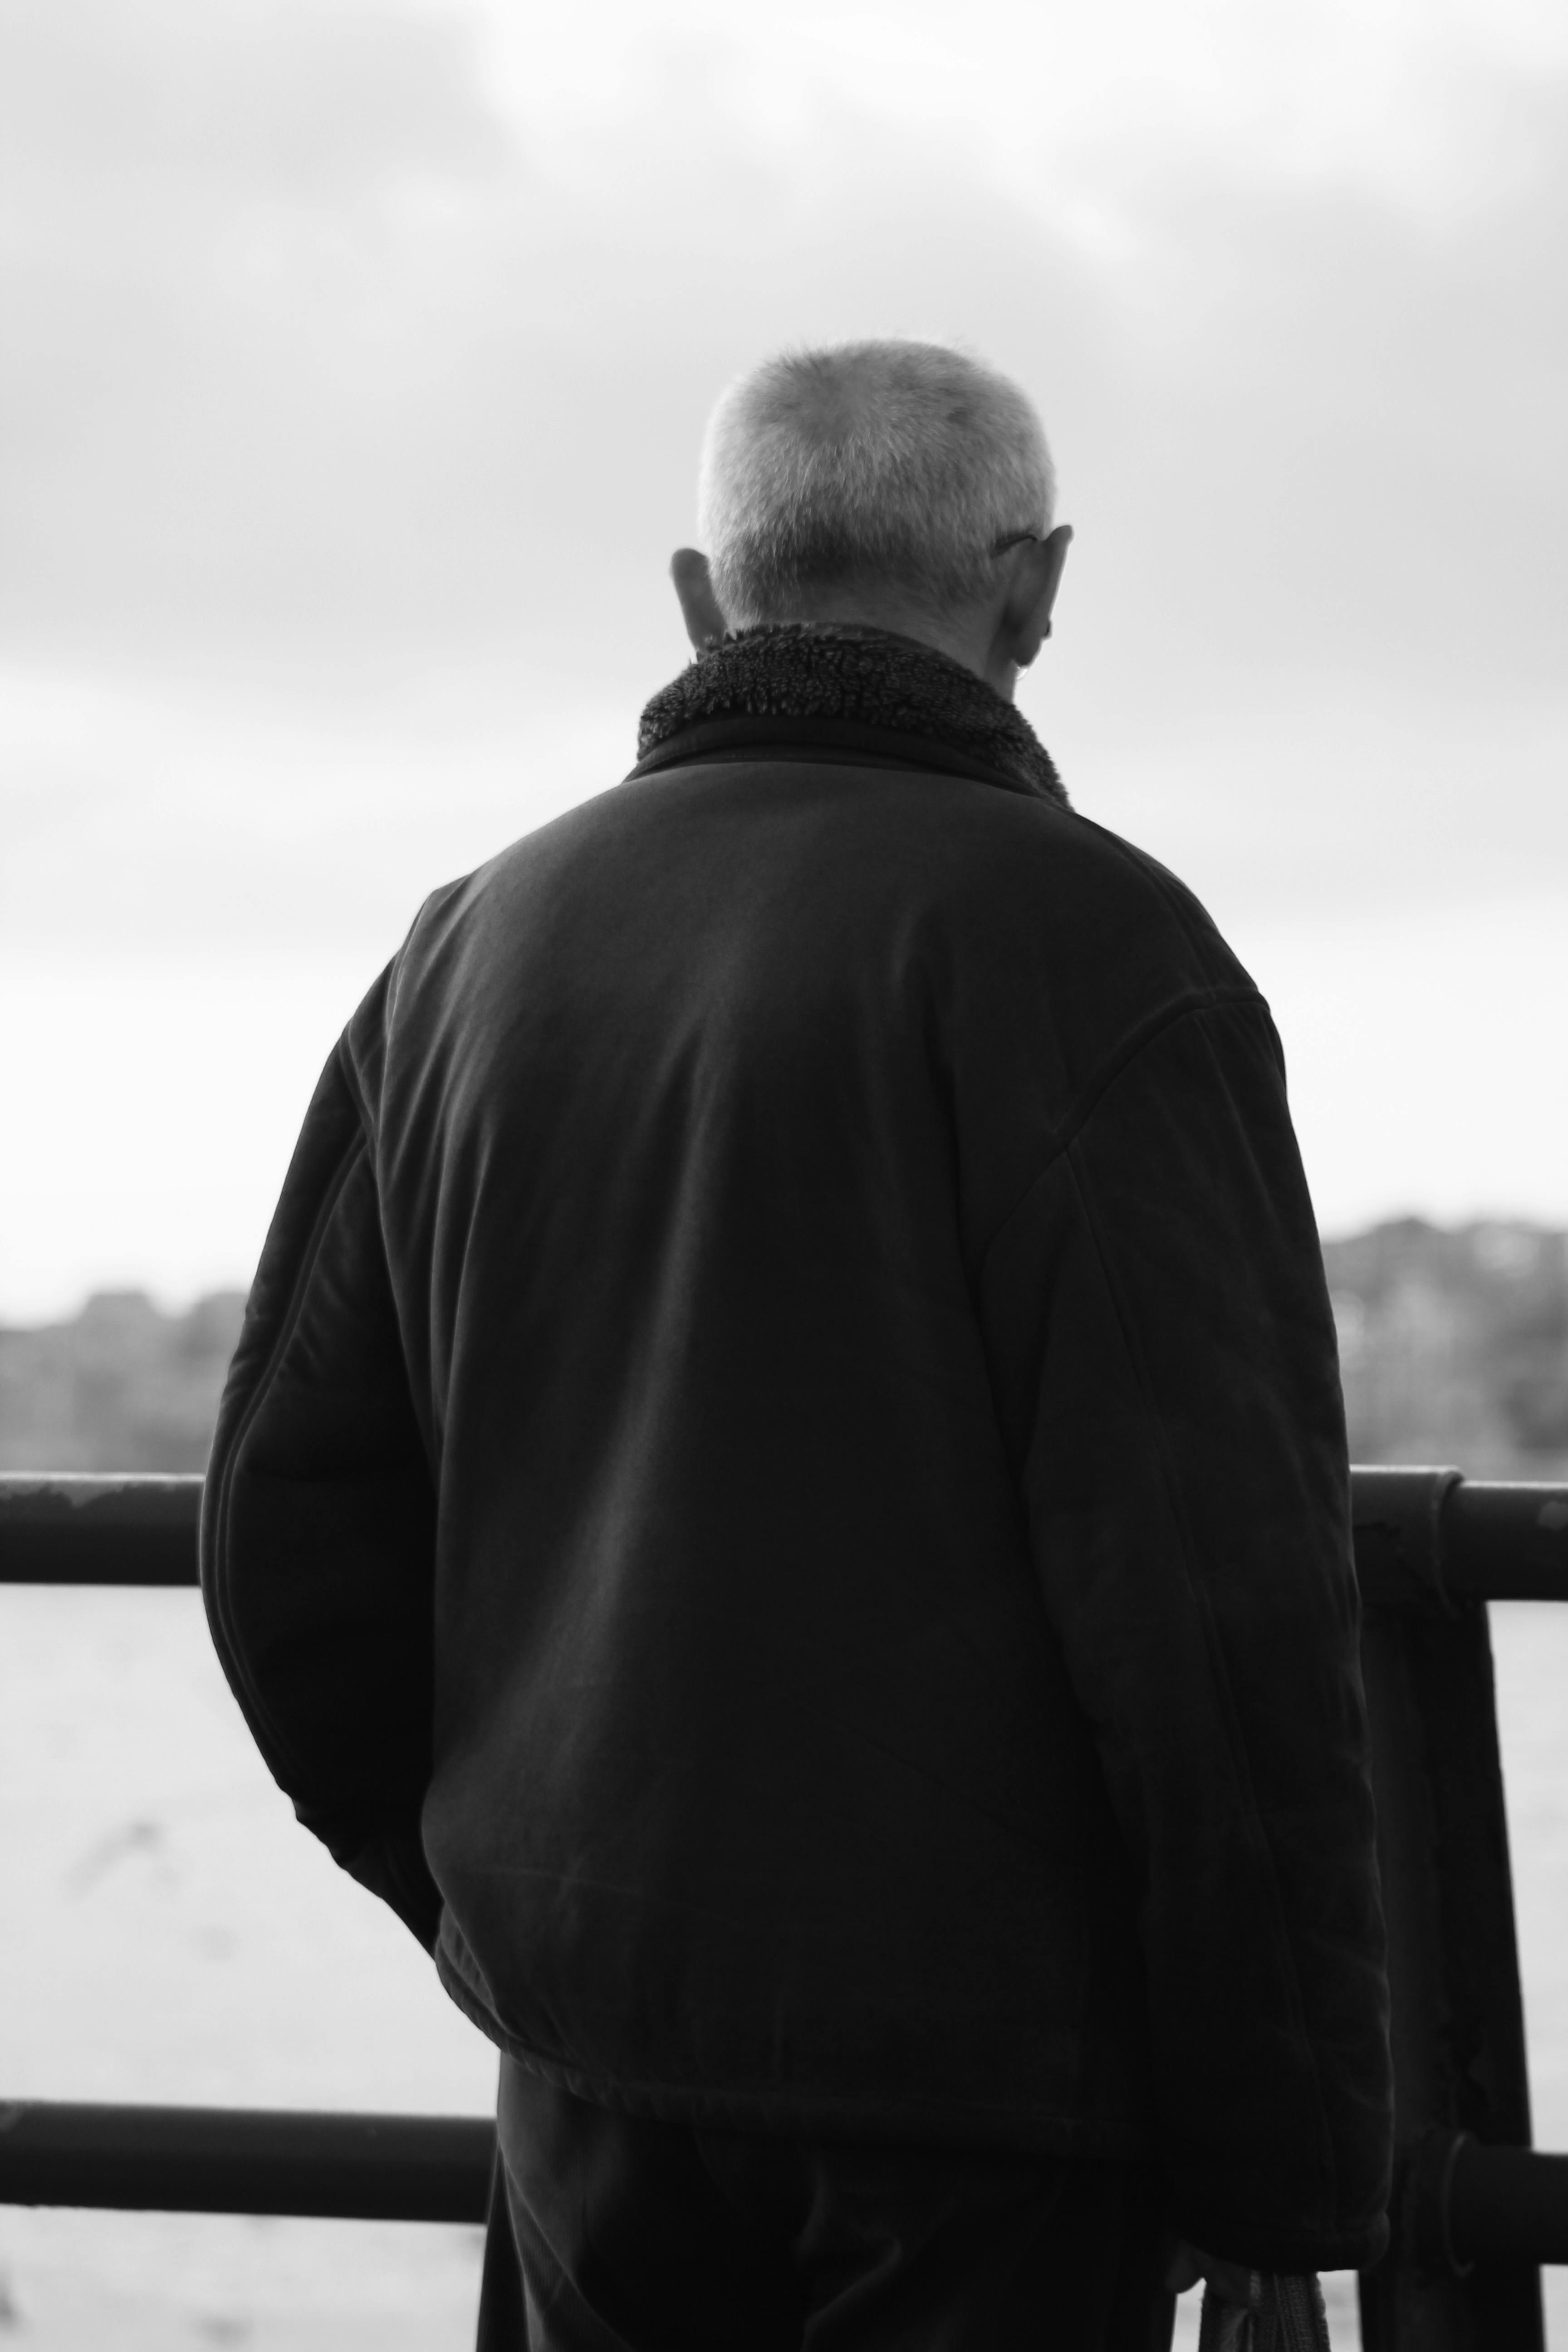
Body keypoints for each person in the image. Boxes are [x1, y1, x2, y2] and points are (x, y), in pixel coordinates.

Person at [201, 339, 1392, 2350]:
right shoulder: (1092, 946)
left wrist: (504, 1908)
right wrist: (1282, 2163)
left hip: (592, 2084)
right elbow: (1213, 1606)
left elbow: (284, 1536)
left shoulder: (467, 946)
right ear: (1037, 588)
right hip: (987, 2113)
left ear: (704, 595)